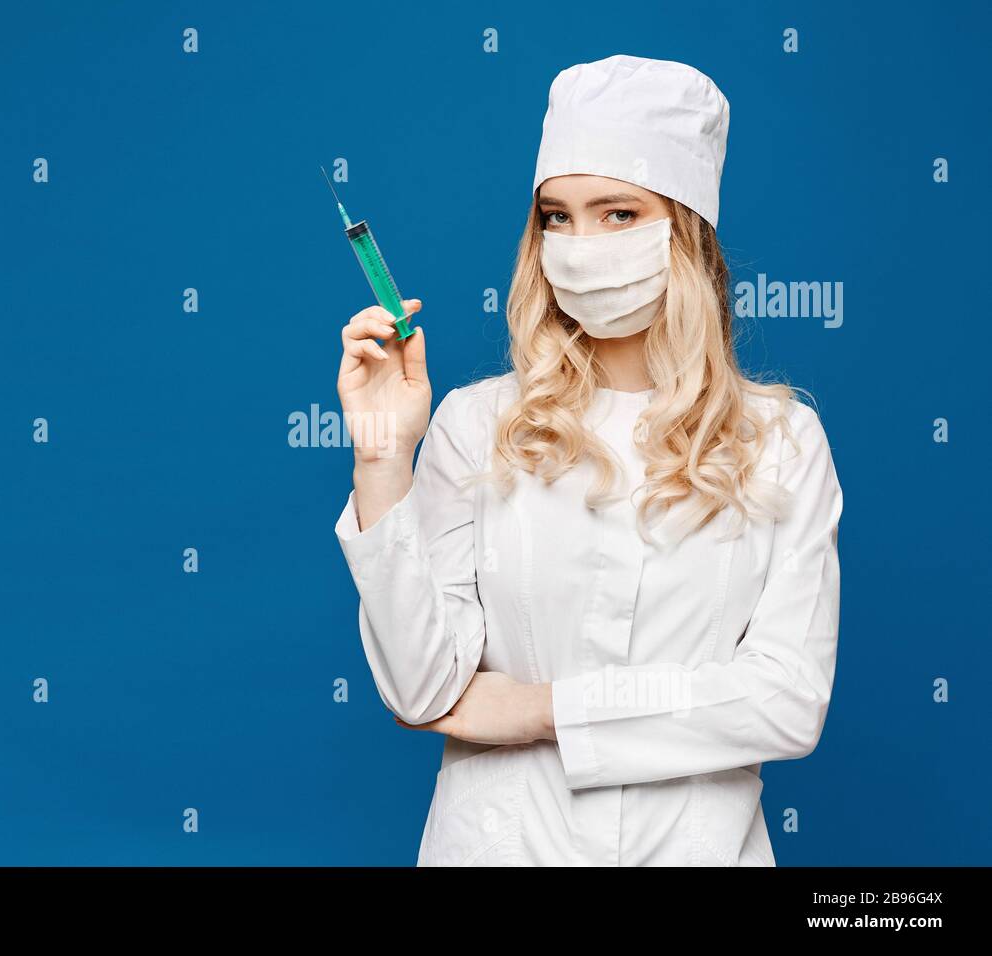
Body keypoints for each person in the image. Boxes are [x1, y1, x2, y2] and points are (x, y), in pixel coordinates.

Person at [332, 54, 844, 866]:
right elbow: (423, 689)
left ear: (684, 230)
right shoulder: (478, 425)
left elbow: (786, 702)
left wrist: (541, 710)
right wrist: (384, 455)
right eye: (556, 217)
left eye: (616, 213)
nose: (578, 243)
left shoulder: (779, 442)